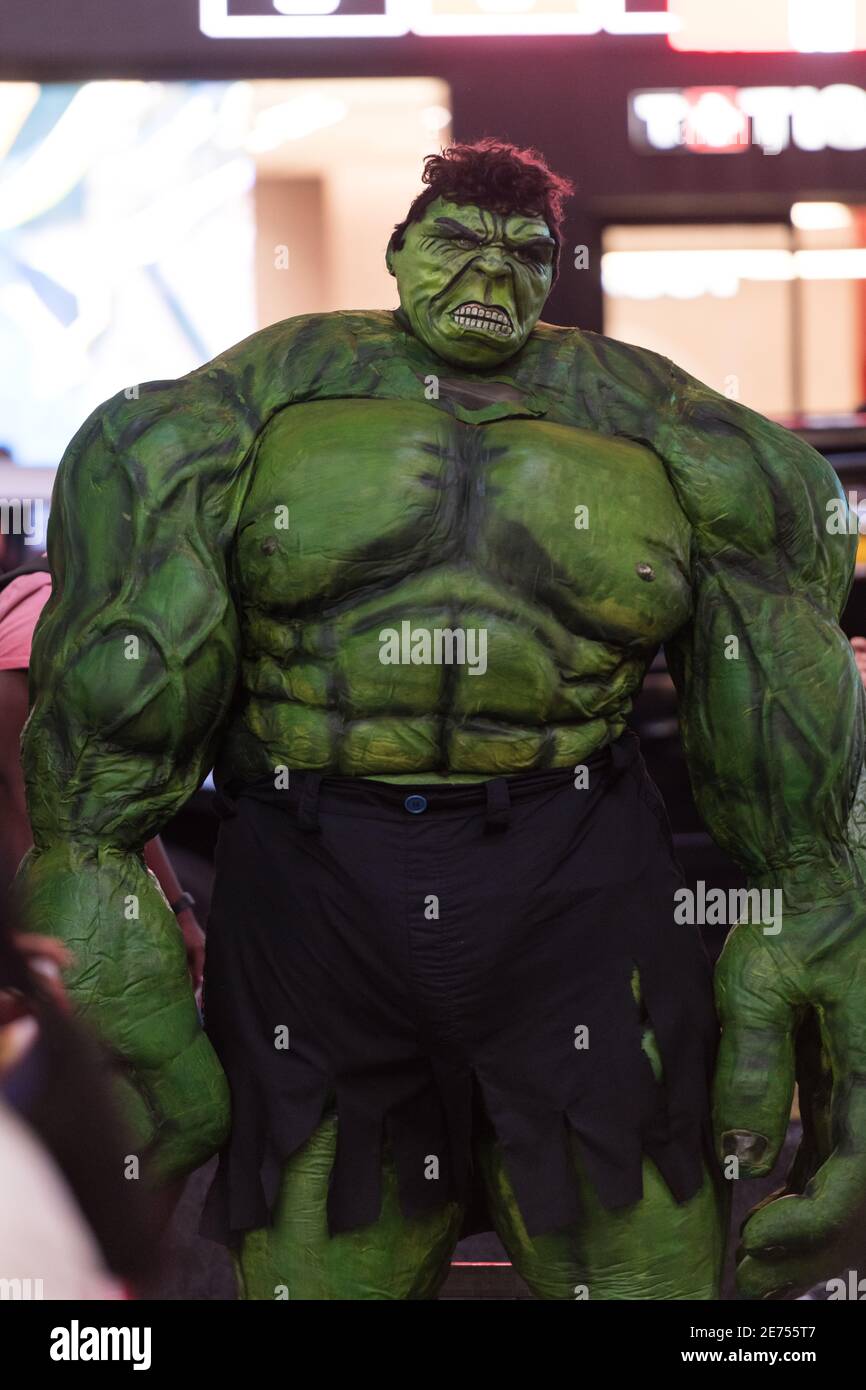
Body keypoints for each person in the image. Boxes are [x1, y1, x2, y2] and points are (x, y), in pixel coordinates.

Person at [18, 140, 866, 1300]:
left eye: (525, 254)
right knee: (323, 1268)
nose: (495, 274)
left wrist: (816, 906)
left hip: (574, 882)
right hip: (317, 887)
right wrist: (95, 885)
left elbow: (784, 704)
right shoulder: (229, 413)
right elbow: (110, 714)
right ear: (397, 252)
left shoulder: (681, 435)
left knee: (637, 1269)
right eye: (458, 241)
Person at [0, 555, 205, 988]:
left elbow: (113, 795)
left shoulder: (57, 606)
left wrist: (180, 907)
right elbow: (29, 814)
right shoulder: (39, 641)